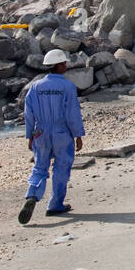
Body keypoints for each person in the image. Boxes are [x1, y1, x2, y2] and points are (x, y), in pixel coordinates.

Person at [18, 49, 85, 224]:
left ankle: (32, 195)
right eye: (64, 63)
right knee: (61, 168)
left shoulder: (36, 87)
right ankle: (55, 205)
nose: (66, 66)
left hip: (40, 133)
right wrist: (78, 135)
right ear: (60, 65)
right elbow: (72, 114)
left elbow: (28, 114)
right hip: (61, 132)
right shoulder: (67, 87)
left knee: (40, 167)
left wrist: (29, 136)